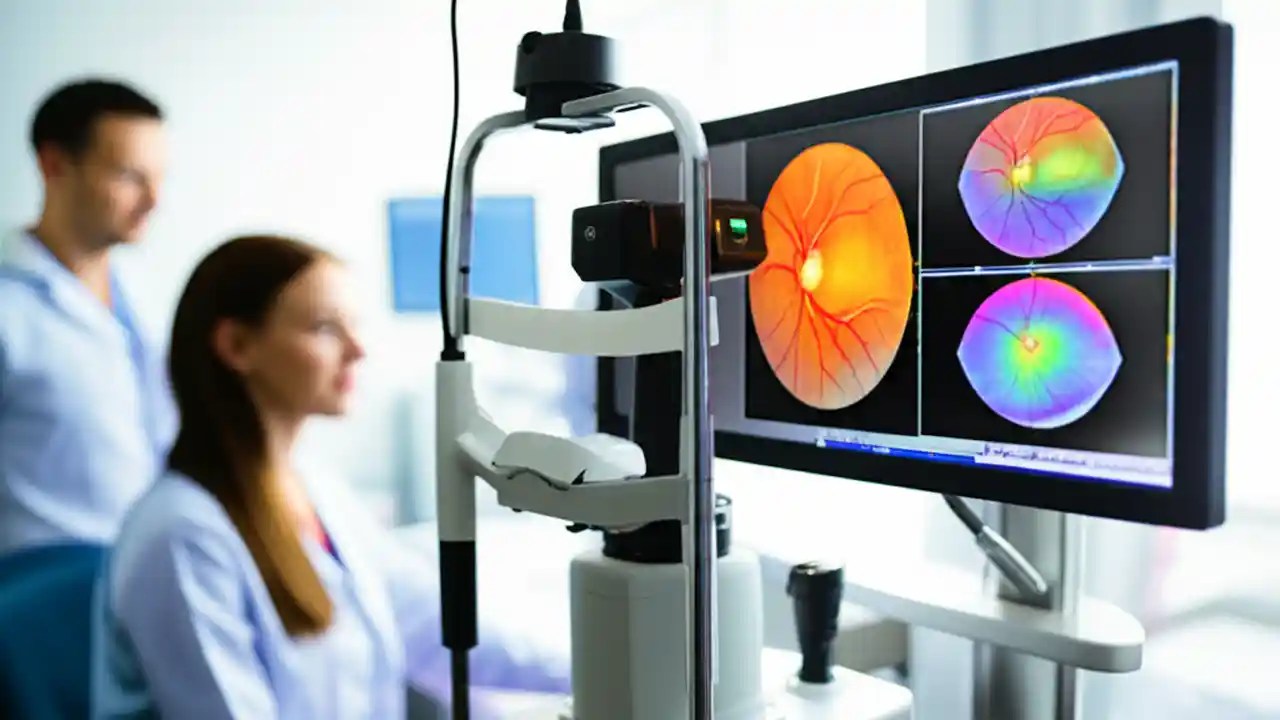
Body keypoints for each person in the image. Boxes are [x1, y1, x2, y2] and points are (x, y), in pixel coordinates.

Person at [92, 235, 570, 718]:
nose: (358, 349)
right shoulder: (182, 537)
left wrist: (588, 665)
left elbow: (431, 625)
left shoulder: (316, 490)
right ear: (237, 345)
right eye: (324, 328)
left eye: (354, 326)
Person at [0, 78, 173, 554]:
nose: (155, 200)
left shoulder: (143, 292)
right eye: (130, 177)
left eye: (160, 178)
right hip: (38, 593)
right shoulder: (9, 307)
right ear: (54, 164)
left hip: (138, 570)